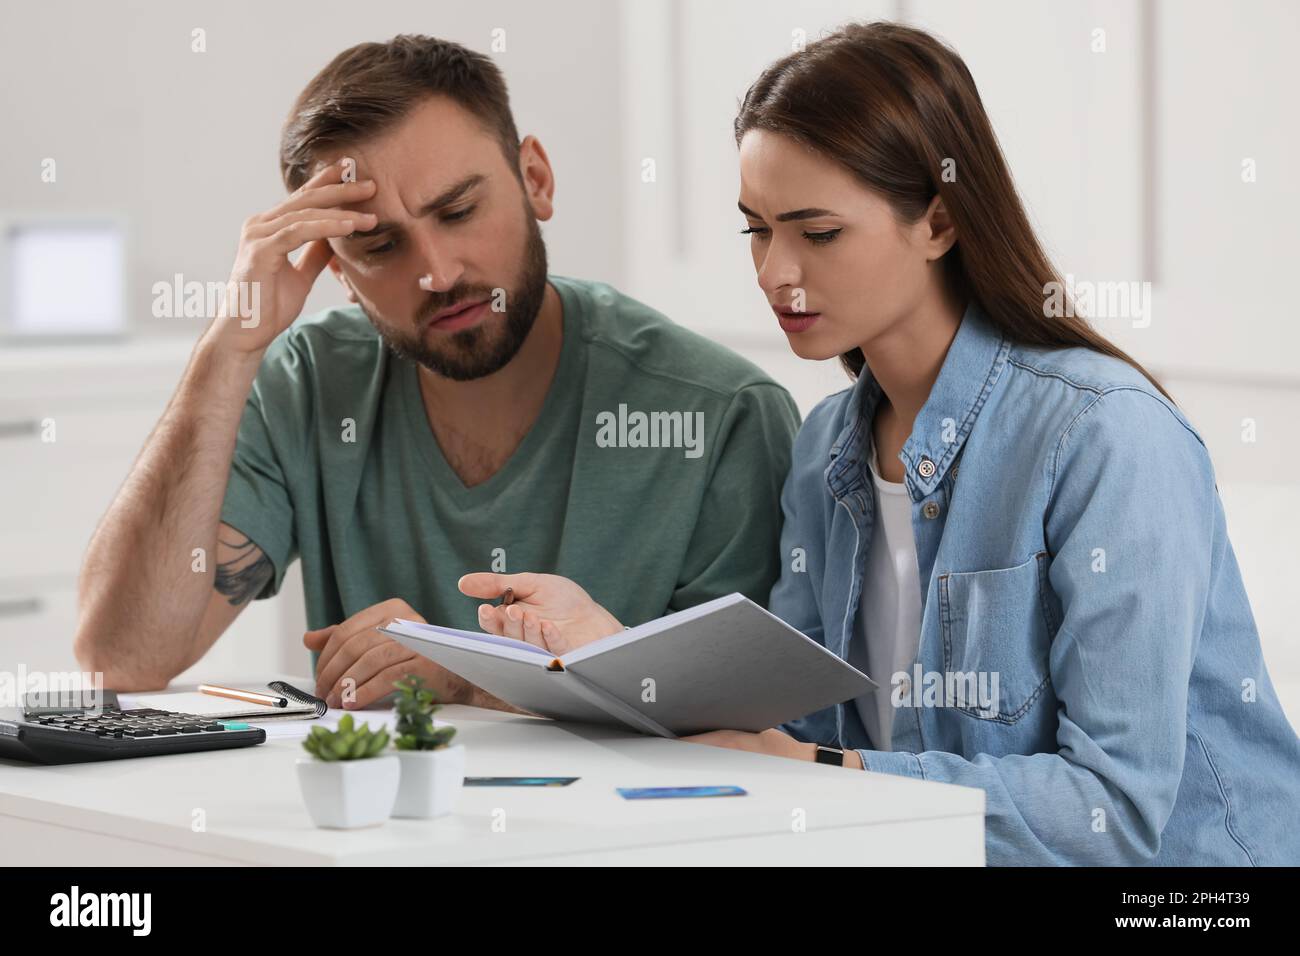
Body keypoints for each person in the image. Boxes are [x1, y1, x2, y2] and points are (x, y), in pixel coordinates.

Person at [476, 22, 1300, 866]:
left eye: (817, 232)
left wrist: (828, 776)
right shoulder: (829, 444)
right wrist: (611, 655)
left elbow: (1113, 811)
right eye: (755, 229)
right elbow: (790, 726)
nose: (772, 271)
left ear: (939, 220)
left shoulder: (1107, 436)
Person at [73, 35, 800, 713]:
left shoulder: (721, 414)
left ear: (535, 181)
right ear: (338, 273)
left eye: (458, 210)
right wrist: (226, 349)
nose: (437, 273)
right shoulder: (308, 383)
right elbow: (122, 659)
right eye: (380, 246)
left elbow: (749, 724)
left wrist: (465, 675)